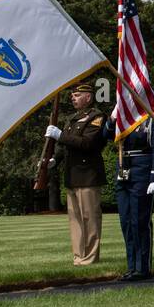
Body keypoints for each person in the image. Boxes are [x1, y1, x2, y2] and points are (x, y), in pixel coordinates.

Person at [46, 81, 108, 266]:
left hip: (88, 175)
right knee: (75, 220)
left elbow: (87, 143)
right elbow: (65, 147)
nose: (73, 97)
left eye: (77, 95)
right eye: (72, 95)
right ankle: (78, 256)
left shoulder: (96, 117)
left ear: (88, 97)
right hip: (72, 175)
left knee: (90, 218)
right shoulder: (72, 119)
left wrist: (60, 136)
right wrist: (54, 160)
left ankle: (90, 257)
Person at [102, 115, 154, 281]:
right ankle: (132, 266)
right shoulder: (123, 118)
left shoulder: (151, 119)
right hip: (123, 168)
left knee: (140, 220)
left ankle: (142, 267)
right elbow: (106, 135)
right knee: (126, 221)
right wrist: (112, 118)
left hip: (142, 168)